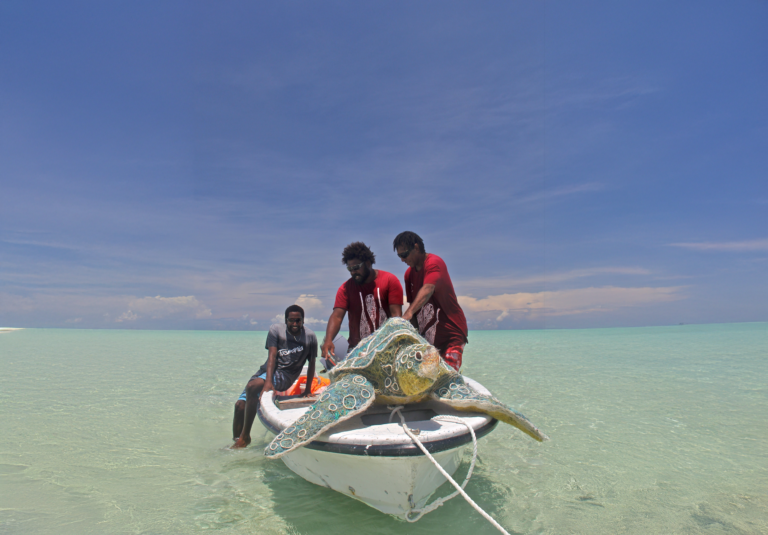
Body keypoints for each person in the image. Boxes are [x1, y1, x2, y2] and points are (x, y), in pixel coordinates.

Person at [232, 304, 317, 448]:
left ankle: (245, 437)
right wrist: (268, 381)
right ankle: (236, 441)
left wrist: (307, 390)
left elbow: (312, 364)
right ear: (286, 320)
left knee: (253, 387)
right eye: (291, 320)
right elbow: (272, 356)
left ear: (303, 320)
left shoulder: (310, 337)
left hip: (286, 375)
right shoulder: (276, 330)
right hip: (267, 371)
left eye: (298, 320)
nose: (295, 324)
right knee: (240, 405)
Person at [393, 231, 468, 371]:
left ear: (416, 248)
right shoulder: (408, 274)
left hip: (451, 335)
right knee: (425, 378)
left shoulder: (434, 263)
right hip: (429, 340)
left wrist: (406, 315)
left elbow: (428, 288)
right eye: (399, 256)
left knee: (447, 376)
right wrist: (414, 337)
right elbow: (414, 309)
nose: (402, 260)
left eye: (404, 255)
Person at [322, 242, 403, 365]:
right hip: (357, 349)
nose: (353, 272)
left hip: (386, 347)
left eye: (356, 267)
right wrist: (328, 340)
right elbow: (337, 316)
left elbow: (396, 316)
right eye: (350, 269)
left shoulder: (389, 280)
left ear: (368, 263)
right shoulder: (345, 288)